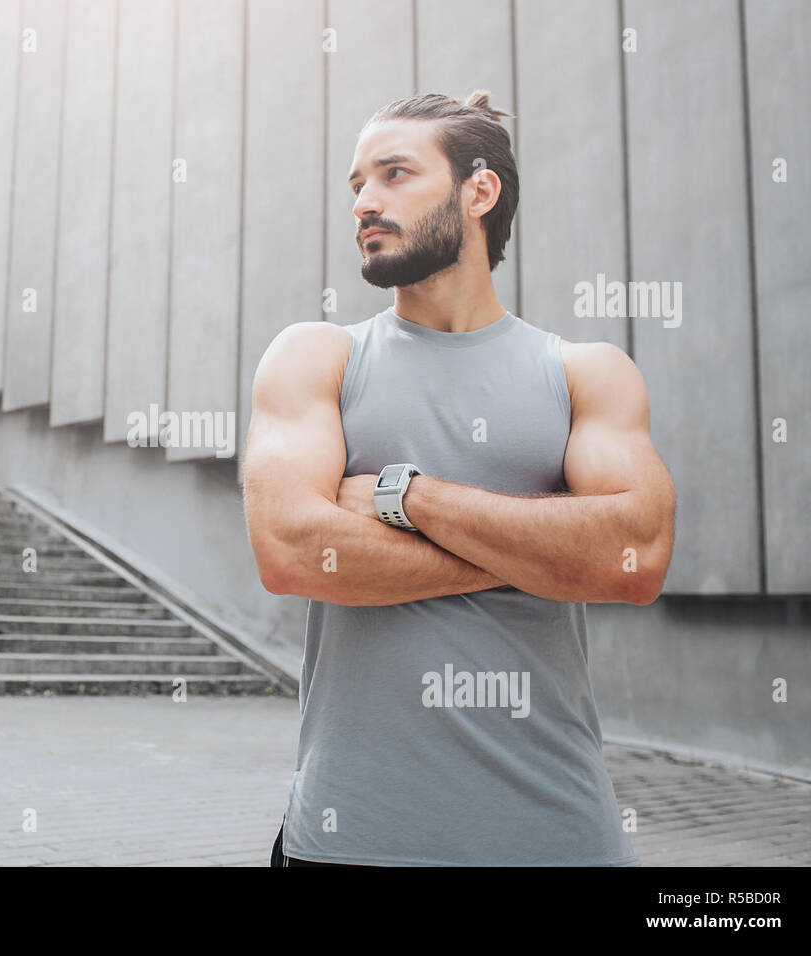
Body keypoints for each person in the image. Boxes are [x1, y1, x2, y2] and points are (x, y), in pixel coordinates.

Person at [243, 90, 676, 866]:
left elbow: (634, 559)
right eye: (356, 185)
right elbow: (292, 553)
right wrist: (544, 551)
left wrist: (403, 497)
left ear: (480, 190)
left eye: (396, 173)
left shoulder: (585, 373)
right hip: (350, 840)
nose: (366, 203)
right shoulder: (317, 358)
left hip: (558, 841)